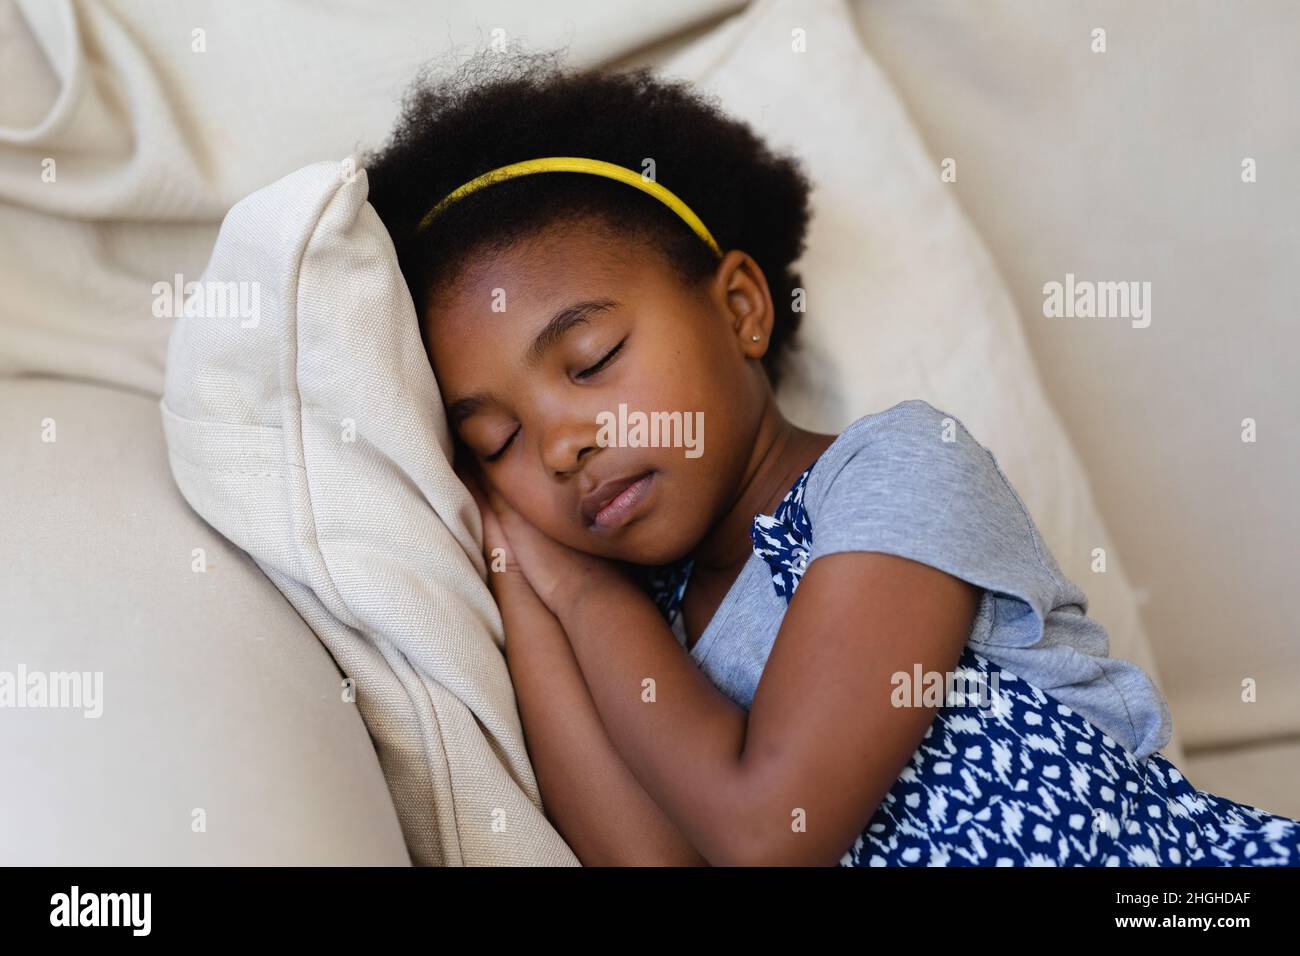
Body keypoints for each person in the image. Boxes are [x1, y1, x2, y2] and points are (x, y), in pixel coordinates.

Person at [365, 48, 1300, 867]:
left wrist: (578, 596)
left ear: (741, 307)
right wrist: (522, 575)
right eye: (498, 440)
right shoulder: (643, 630)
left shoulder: (894, 470)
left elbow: (771, 828)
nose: (563, 446)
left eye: (592, 361)